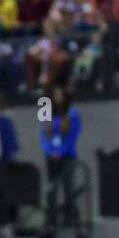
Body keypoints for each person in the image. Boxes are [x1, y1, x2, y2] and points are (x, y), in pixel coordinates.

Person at [40, 86, 81, 227]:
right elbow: (44, 135)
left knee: (68, 186)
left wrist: (61, 151)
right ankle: (51, 219)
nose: (57, 98)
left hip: (67, 156)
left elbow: (72, 137)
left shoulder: (73, 113)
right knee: (51, 188)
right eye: (54, 95)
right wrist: (49, 151)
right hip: (51, 157)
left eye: (60, 95)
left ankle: (69, 218)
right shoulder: (45, 111)